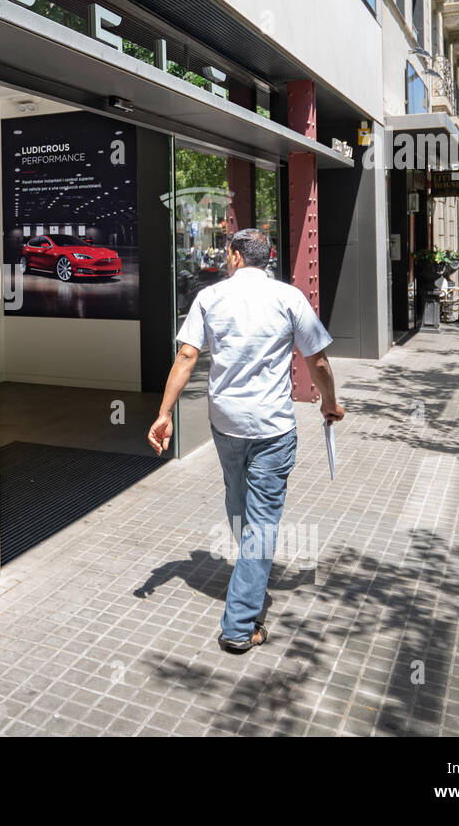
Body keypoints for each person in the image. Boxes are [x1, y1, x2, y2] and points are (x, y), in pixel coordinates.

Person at [147, 228, 344, 654]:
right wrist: (330, 403)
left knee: (238, 502)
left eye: (226, 252)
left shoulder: (210, 297)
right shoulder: (289, 298)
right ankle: (239, 626)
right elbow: (319, 361)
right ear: (267, 258)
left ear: (236, 256)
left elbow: (186, 356)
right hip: (272, 428)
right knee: (259, 521)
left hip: (226, 424)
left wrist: (165, 414)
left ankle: (250, 569)